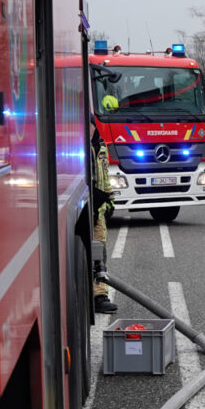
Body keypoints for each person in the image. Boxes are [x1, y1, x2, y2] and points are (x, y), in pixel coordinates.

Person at [89, 126, 117, 313]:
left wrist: (109, 200)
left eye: (92, 126)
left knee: (99, 253)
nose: (89, 129)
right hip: (86, 206)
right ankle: (91, 292)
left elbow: (105, 175)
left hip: (98, 208)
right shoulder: (79, 145)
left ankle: (100, 296)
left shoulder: (100, 145)